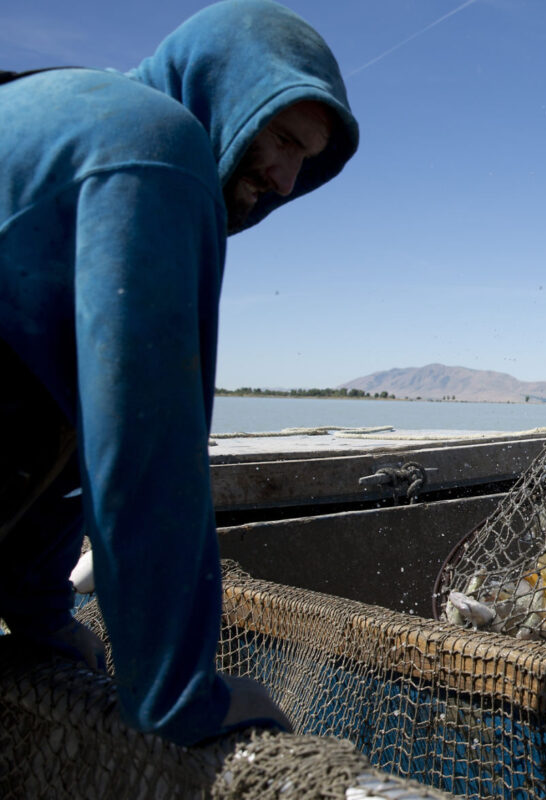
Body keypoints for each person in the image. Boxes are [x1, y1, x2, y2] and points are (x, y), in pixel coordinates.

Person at [0, 0, 358, 746]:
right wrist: (178, 693)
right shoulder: (154, 146)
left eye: (305, 158)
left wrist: (35, 614)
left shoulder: (68, 115)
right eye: (282, 137)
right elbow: (144, 441)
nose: (286, 180)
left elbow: (62, 422)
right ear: (221, 87)